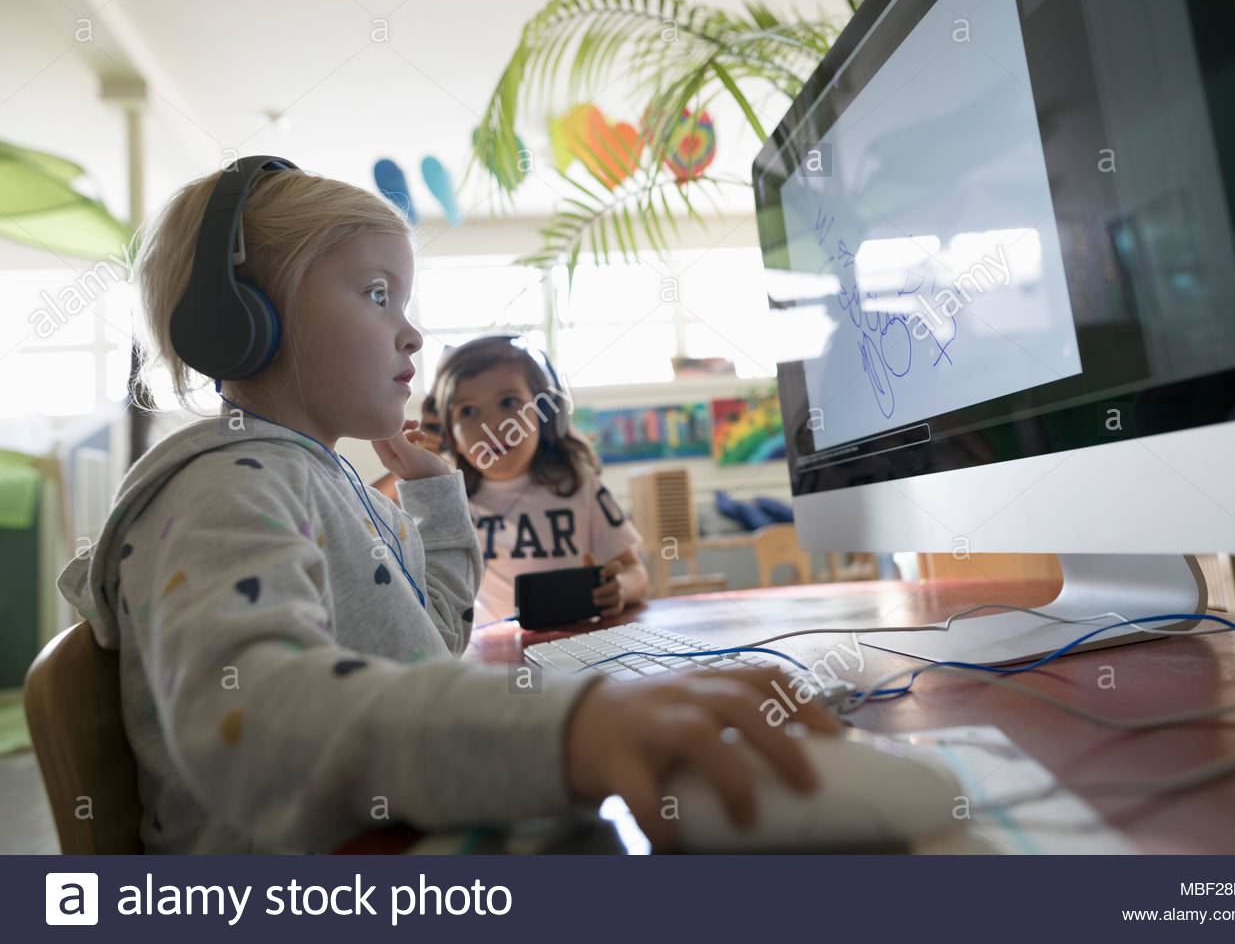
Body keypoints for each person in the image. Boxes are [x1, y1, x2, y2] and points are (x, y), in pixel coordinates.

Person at [55, 162, 839, 855]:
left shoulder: (334, 484)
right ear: (244, 321)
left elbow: (430, 646)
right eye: (375, 294)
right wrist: (566, 728)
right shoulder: (225, 488)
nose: (411, 332)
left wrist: (435, 496)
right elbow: (252, 720)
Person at [431, 336, 649, 625]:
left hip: (570, 648)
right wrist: (416, 456)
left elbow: (637, 572)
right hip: (489, 654)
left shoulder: (580, 488)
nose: (492, 426)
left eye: (509, 402)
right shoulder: (446, 498)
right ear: (450, 434)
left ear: (544, 416)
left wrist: (620, 588)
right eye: (468, 410)